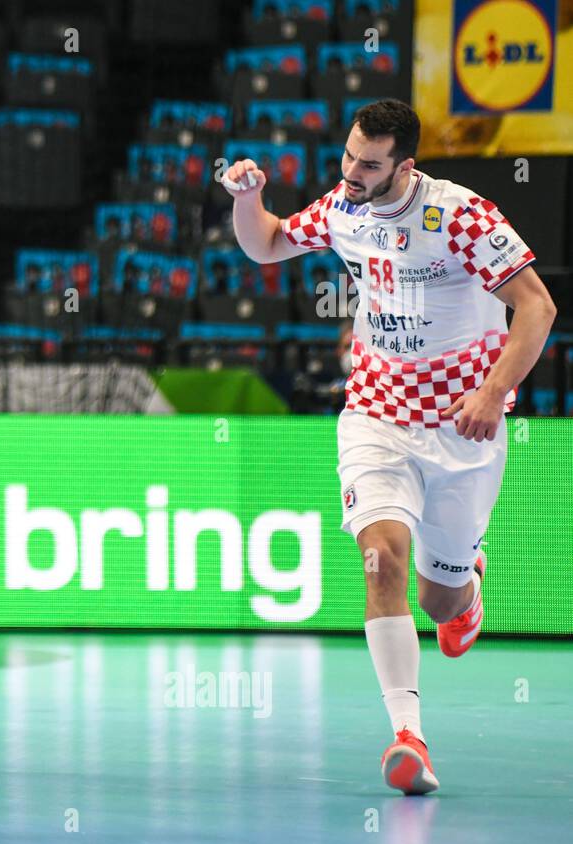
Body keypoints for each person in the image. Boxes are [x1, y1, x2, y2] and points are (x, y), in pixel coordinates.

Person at [225, 99, 557, 795]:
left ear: (404, 166)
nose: (351, 171)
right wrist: (249, 199)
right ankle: (408, 736)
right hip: (377, 415)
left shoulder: (460, 215)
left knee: (438, 602)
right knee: (381, 561)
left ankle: (464, 590)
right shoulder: (345, 207)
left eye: (369, 163)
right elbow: (267, 243)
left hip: (464, 423)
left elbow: (537, 307)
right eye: (349, 155)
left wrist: (493, 392)